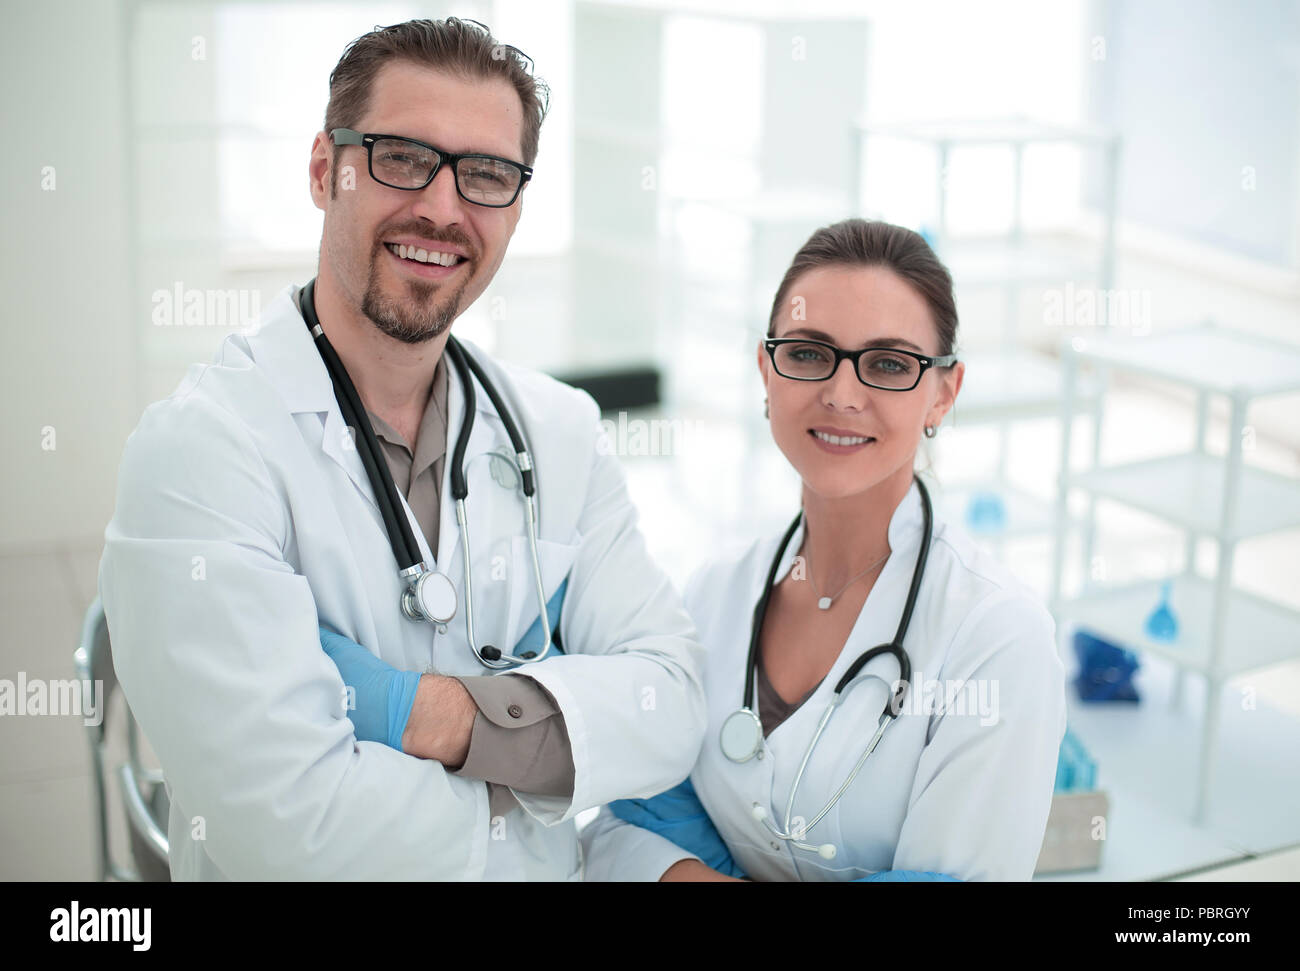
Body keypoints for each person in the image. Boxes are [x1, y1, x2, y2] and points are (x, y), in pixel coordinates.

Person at [98, 18, 706, 881]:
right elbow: (292, 834)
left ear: (516, 206)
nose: (443, 207)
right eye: (403, 157)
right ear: (325, 169)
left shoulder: (558, 432)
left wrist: (421, 714)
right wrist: (539, 771)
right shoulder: (199, 455)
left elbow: (672, 703)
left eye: (487, 173)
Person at [579, 219, 1067, 882]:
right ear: (766, 370)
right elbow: (623, 827)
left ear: (942, 394)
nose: (842, 394)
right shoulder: (715, 593)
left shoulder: (998, 636)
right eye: (809, 354)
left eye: (889, 363)